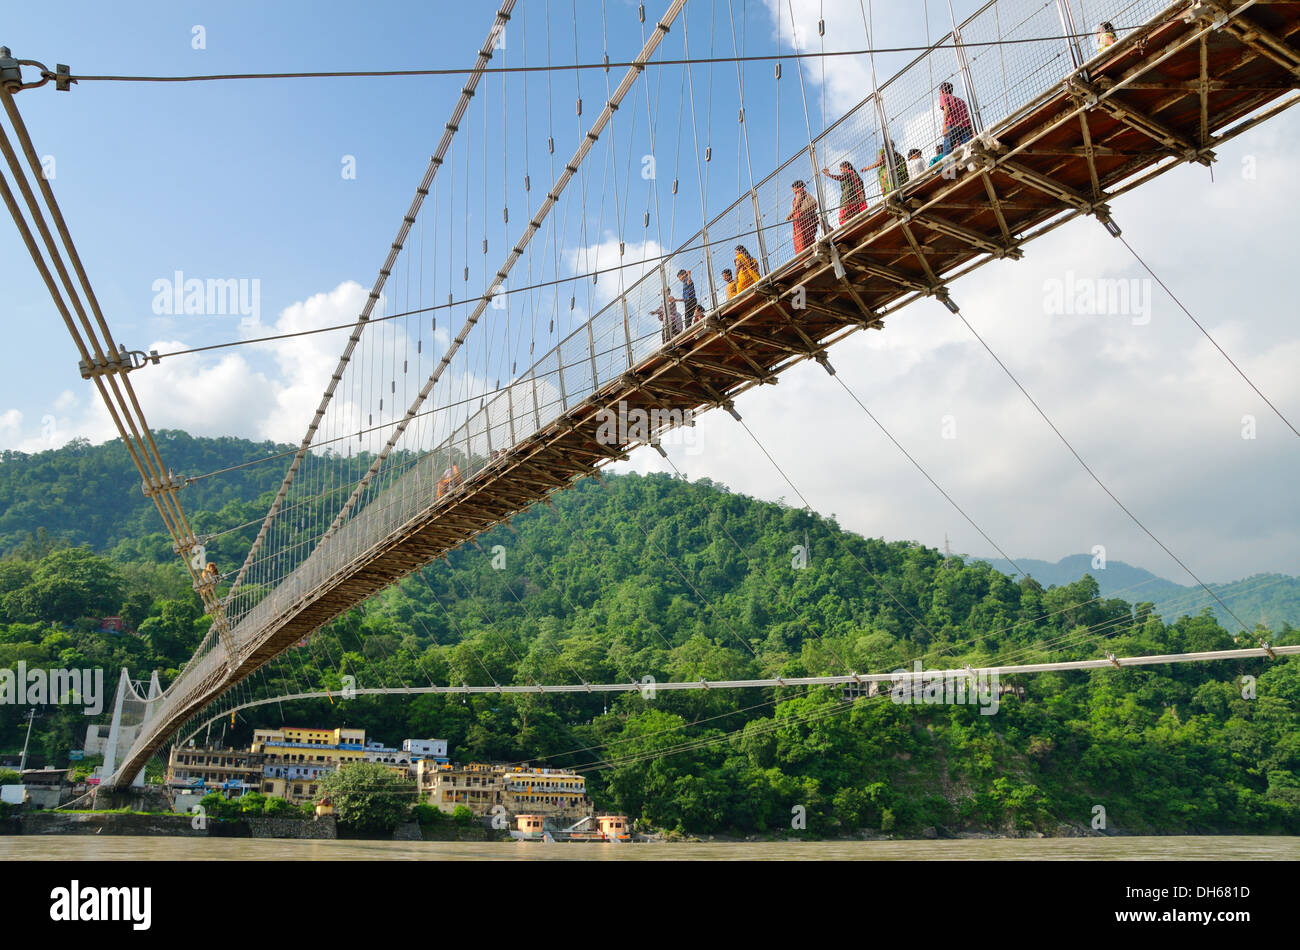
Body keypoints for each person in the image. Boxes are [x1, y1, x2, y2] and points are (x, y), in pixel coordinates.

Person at [938, 81, 973, 155]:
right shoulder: (961, 100)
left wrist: (944, 125)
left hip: (952, 125)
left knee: (947, 151)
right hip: (965, 126)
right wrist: (971, 130)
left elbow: (946, 110)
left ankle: (948, 166)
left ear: (942, 91)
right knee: (967, 147)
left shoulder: (943, 96)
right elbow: (967, 115)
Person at [786, 180, 819, 254]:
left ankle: (804, 253)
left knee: (801, 237)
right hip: (805, 217)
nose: (793, 191)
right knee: (808, 235)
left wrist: (792, 213)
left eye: (793, 189)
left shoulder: (799, 192)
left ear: (796, 187)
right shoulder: (805, 193)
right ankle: (810, 251)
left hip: (800, 218)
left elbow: (798, 203)